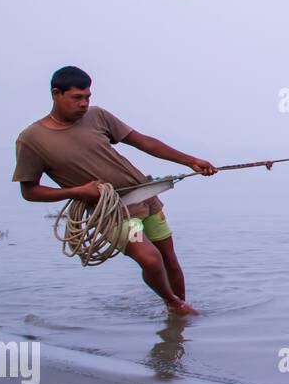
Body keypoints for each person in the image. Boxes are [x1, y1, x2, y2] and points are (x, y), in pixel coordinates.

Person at [12, 66, 217, 316]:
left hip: (145, 197)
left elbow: (143, 141)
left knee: (168, 259)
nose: (84, 103)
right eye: (77, 97)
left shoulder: (98, 116)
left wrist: (190, 161)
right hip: (111, 212)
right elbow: (29, 191)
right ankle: (174, 304)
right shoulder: (32, 139)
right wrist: (78, 191)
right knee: (150, 259)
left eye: (88, 96)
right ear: (56, 94)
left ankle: (178, 318)